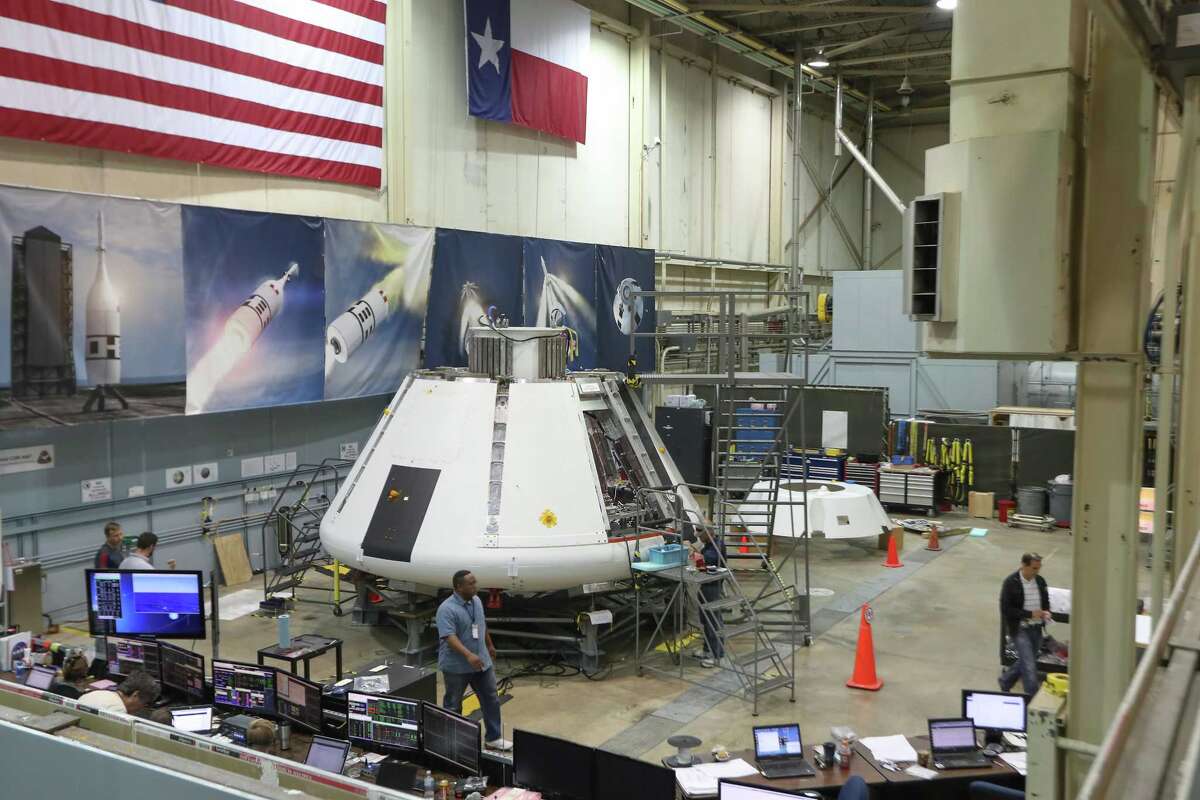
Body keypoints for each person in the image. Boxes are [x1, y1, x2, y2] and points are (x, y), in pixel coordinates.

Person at [436, 570, 511, 751]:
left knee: (491, 699)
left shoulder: (476, 601)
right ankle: (454, 742)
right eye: (471, 583)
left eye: (475, 582)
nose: (475, 586)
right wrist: (468, 655)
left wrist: (490, 645)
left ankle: (493, 738)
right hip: (457, 666)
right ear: (459, 587)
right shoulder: (446, 609)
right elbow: (449, 637)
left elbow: (481, 624)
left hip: (481, 663)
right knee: (454, 704)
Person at [999, 552, 1051, 695]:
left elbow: (1045, 601)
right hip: (1020, 628)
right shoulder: (1011, 583)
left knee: (1027, 660)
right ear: (1023, 566)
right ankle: (1031, 698)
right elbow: (1006, 609)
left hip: (1036, 628)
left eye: (1039, 568)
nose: (1037, 571)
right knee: (1029, 665)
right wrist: (1029, 614)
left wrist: (1046, 612)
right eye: (1034, 568)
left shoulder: (1040, 581)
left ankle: (1005, 680)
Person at [694, 527, 725, 668]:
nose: (697, 535)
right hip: (705, 584)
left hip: (713, 587)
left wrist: (692, 551)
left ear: (709, 533)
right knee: (705, 619)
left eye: (700, 533)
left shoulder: (717, 545)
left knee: (712, 621)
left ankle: (715, 654)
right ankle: (707, 650)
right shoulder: (709, 544)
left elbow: (709, 559)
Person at [77, 669, 160, 715]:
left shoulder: (94, 693)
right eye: (145, 703)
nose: (141, 708)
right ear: (135, 695)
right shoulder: (119, 711)